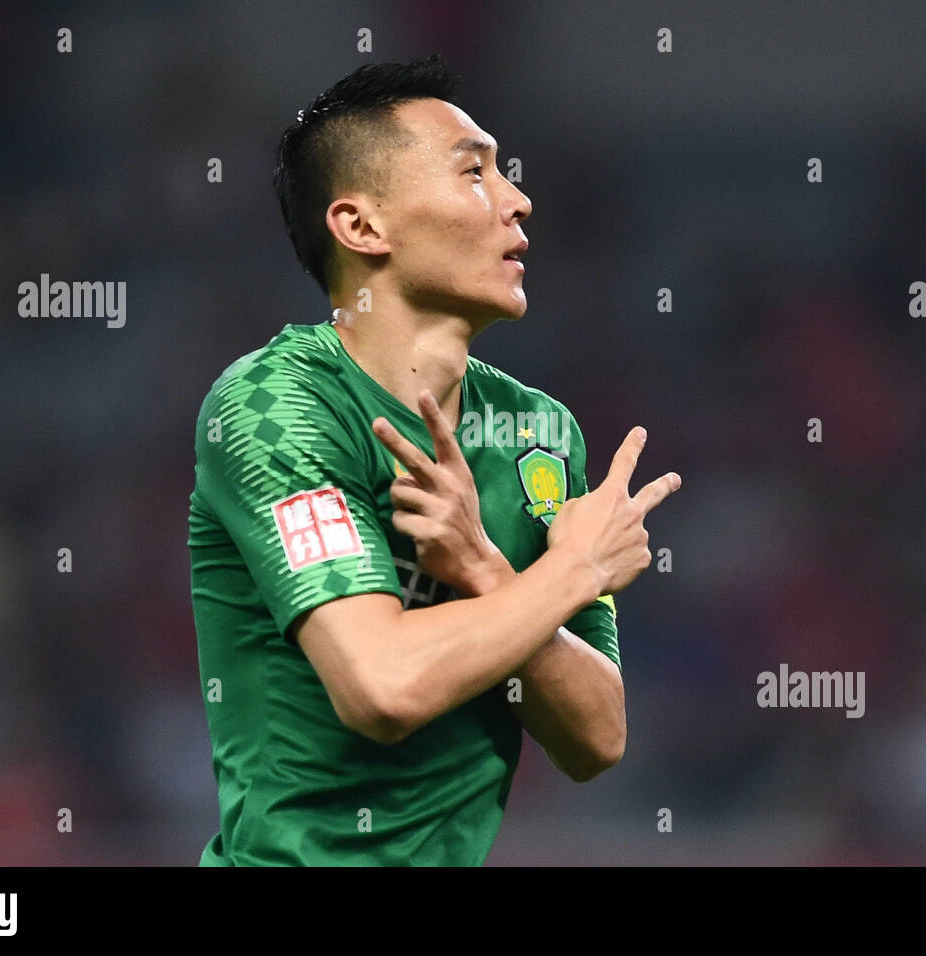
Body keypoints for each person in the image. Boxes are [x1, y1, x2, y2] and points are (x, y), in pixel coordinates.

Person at [188, 53, 680, 865]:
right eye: (474, 174)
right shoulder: (275, 407)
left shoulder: (539, 434)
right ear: (362, 226)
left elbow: (597, 738)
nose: (519, 200)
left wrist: (487, 568)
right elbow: (381, 688)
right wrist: (573, 572)